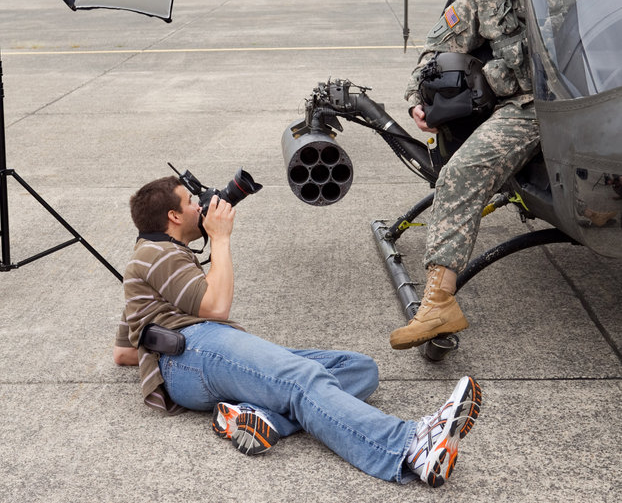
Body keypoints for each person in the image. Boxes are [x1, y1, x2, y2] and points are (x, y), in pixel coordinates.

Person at [114, 175, 482, 487]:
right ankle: (409, 446)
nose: (201, 206)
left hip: (197, 356)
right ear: (174, 216)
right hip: (193, 351)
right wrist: (221, 238)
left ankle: (260, 419)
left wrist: (156, 355)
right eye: (192, 202)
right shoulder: (155, 253)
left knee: (359, 368)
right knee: (301, 379)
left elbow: (124, 352)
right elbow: (215, 307)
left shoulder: (155, 258)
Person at [390, 0, 540, 351]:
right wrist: (419, 98)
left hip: (584, 96)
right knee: (460, 173)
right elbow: (437, 49)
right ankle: (438, 303)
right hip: (528, 108)